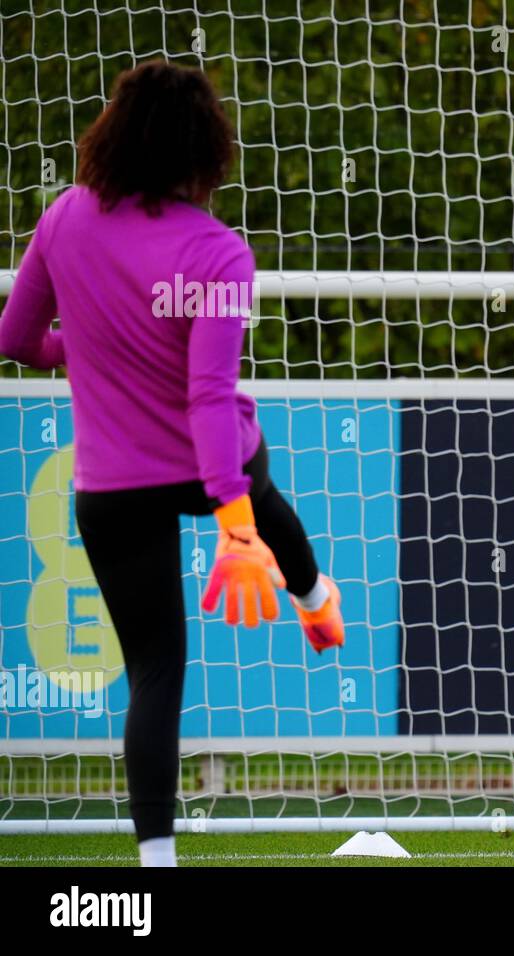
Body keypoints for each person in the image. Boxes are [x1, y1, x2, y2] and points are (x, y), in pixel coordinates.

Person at [0, 60, 345, 867]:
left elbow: (14, 340)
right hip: (204, 468)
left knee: (156, 673)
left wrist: (74, 349)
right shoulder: (222, 255)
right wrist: (235, 520)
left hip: (113, 489)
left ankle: (157, 871)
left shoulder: (62, 222)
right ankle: (313, 590)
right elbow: (207, 398)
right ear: (207, 151)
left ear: (113, 135)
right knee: (255, 462)